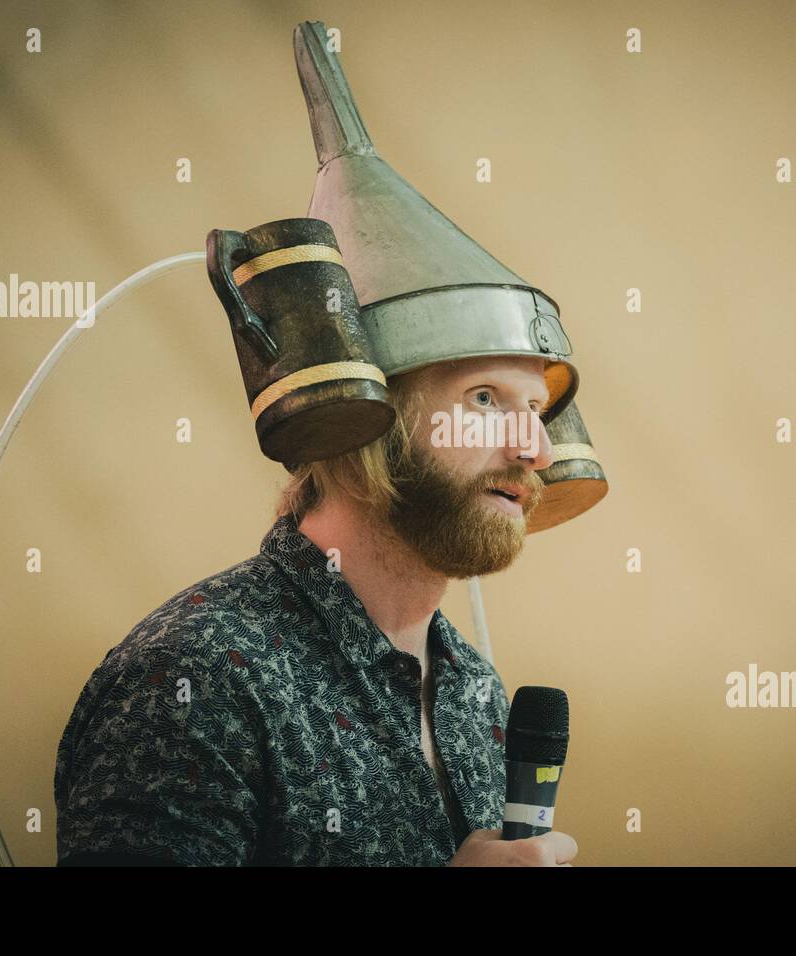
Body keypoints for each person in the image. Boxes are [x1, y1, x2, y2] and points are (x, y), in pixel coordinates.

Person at [54, 354, 578, 866]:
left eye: (534, 408)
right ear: (358, 425)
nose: (536, 450)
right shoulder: (195, 674)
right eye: (485, 399)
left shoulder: (473, 686)